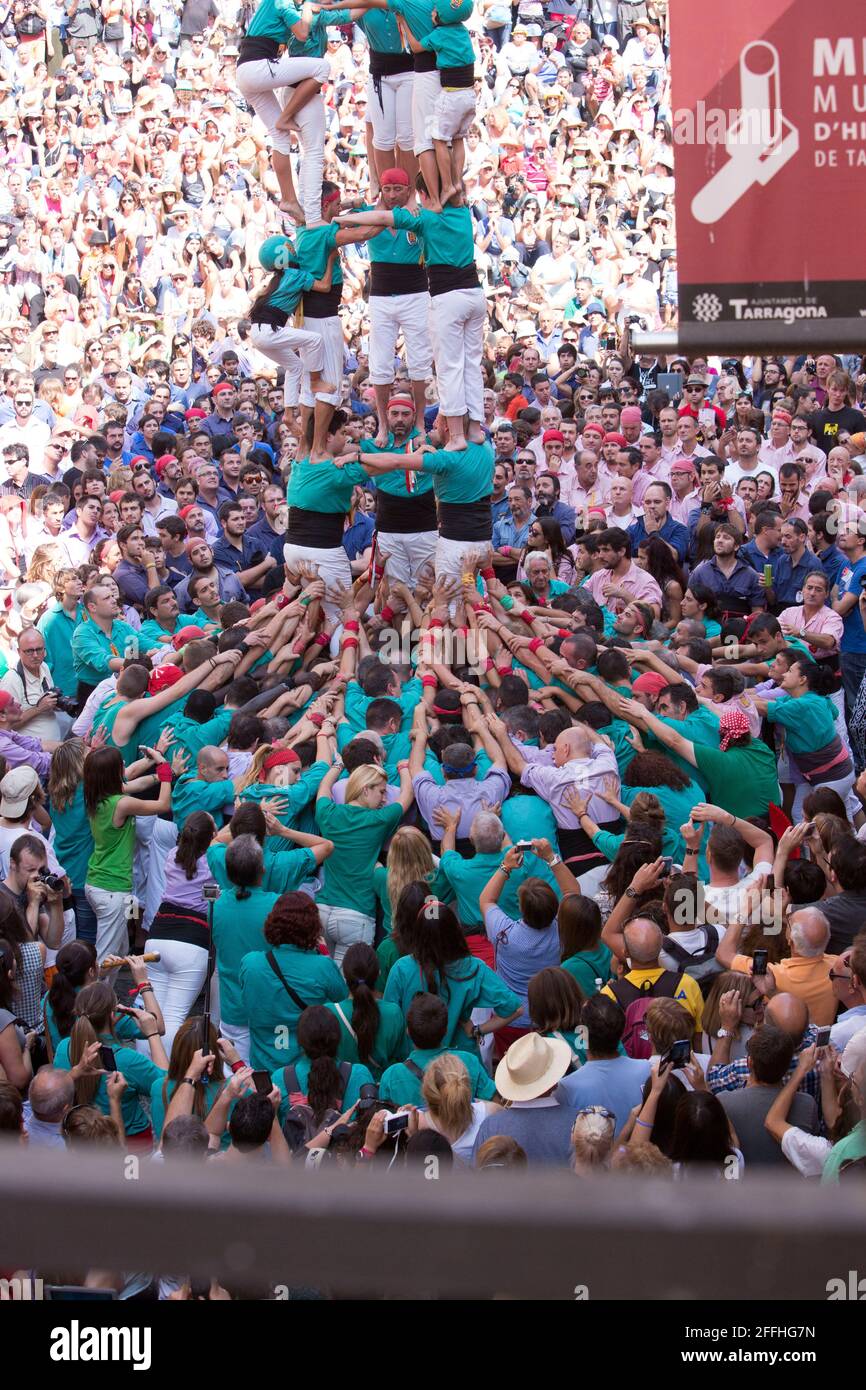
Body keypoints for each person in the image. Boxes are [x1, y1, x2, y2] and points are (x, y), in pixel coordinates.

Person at [82, 743, 175, 967]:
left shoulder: (98, 795)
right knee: (106, 959)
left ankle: (108, 998)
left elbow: (137, 782)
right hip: (112, 890)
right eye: (120, 764)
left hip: (101, 885)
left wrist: (158, 774)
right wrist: (164, 768)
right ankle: (94, 1000)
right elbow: (163, 804)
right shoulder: (121, 804)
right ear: (113, 774)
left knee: (122, 950)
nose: (125, 764)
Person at [239, 889, 348, 1073]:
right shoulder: (322, 966)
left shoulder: (251, 963)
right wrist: (325, 955)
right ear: (313, 926)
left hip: (264, 1069)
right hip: (306, 1072)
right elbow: (343, 1002)